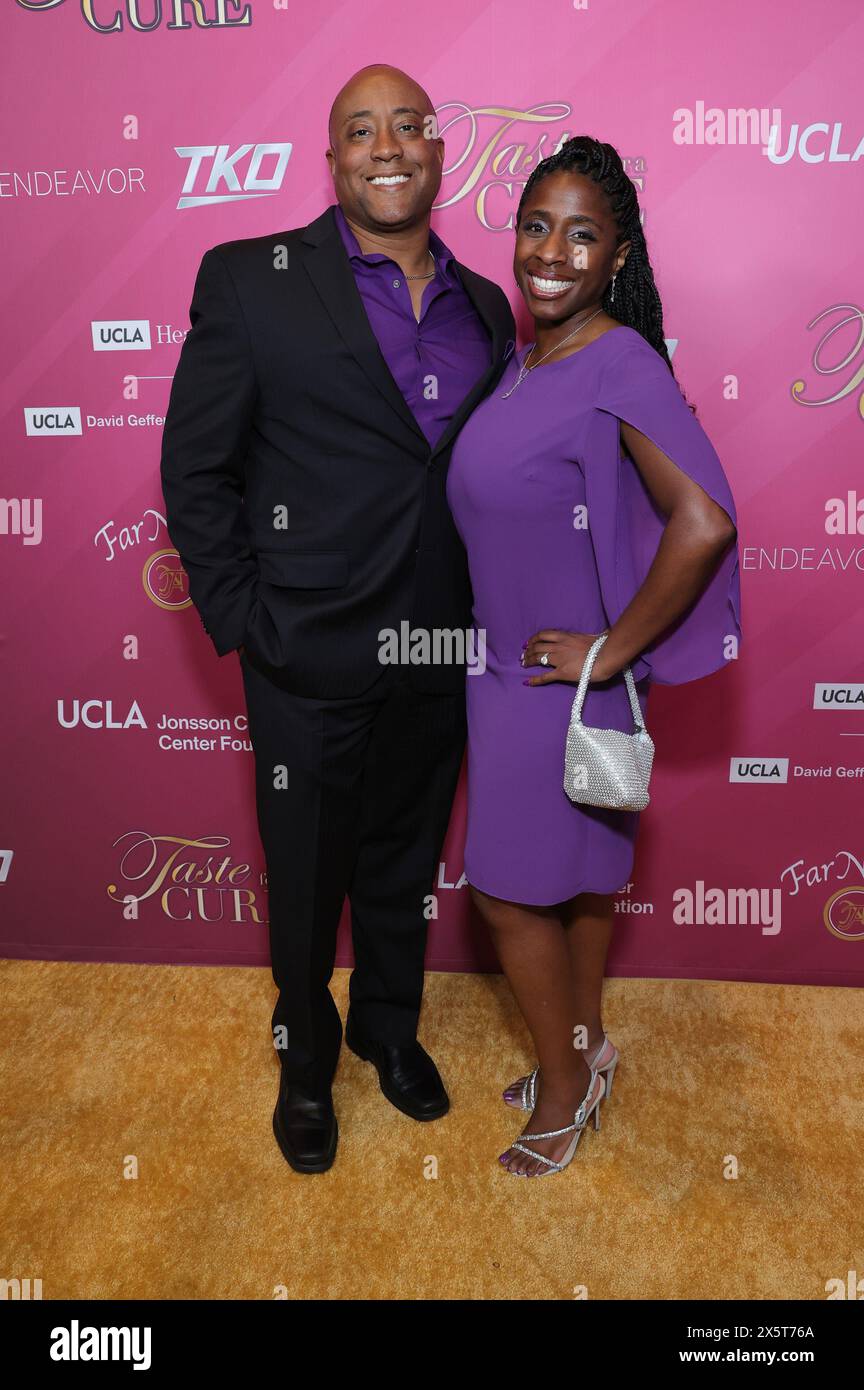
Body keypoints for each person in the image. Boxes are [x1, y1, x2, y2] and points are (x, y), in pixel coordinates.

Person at [160, 64, 516, 1173]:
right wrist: (249, 620)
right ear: (333, 158)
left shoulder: (489, 306)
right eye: (361, 130)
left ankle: (388, 1027)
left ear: (438, 152)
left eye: (407, 126)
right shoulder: (255, 280)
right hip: (303, 649)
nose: (387, 146)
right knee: (307, 874)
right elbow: (196, 467)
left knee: (405, 860)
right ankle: (305, 1059)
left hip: (438, 644)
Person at [446, 136, 742, 1177]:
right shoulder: (533, 359)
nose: (553, 252)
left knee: (505, 891)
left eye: (583, 233)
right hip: (510, 673)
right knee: (571, 884)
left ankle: (564, 1093)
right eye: (537, 225)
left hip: (556, 682)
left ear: (618, 254)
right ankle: (587, 1048)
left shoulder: (618, 358)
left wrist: (609, 651)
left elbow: (703, 519)